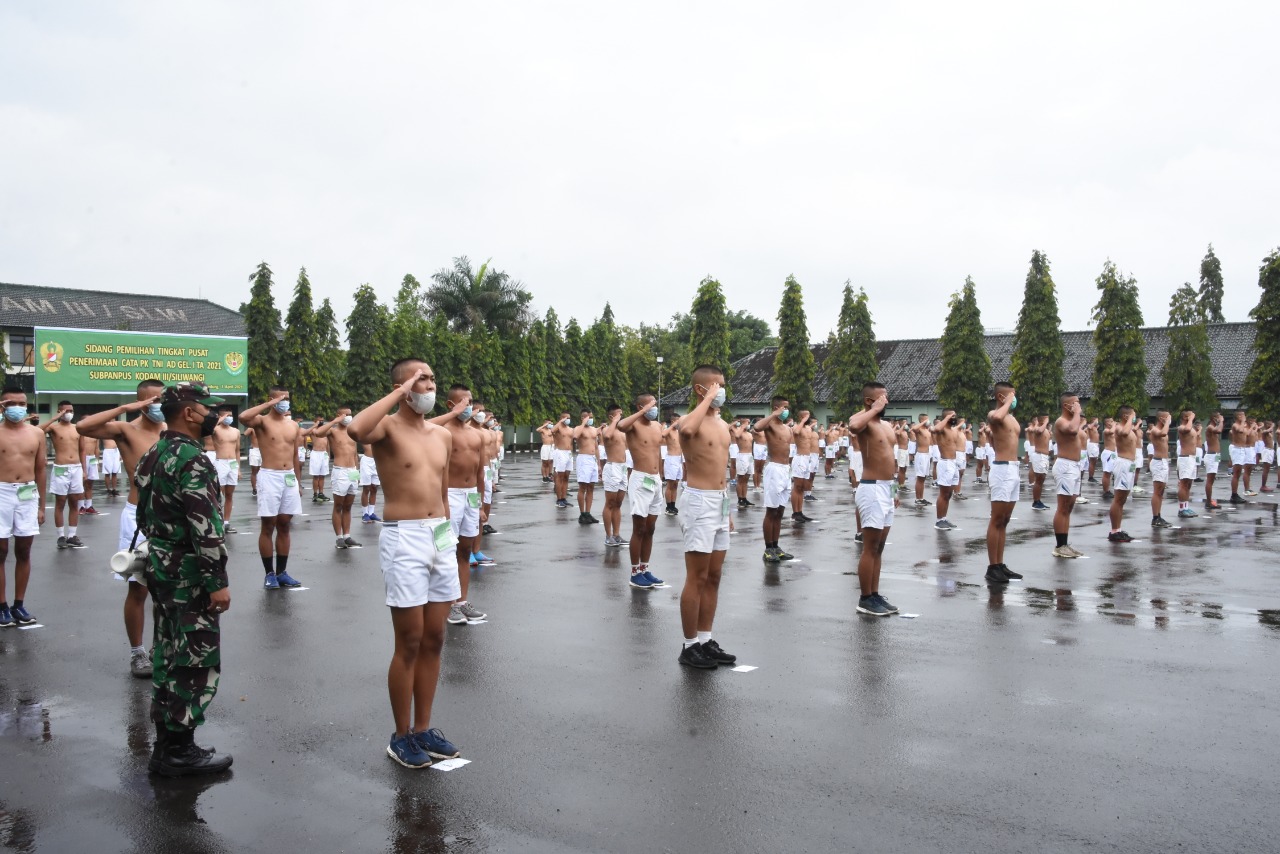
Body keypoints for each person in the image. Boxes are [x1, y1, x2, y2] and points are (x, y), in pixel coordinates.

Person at [347, 359, 462, 769]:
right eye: (422, 378)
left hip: (438, 534)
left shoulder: (442, 435)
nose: (430, 384)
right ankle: (400, 735)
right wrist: (399, 393)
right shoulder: (387, 429)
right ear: (403, 386)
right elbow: (356, 429)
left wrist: (447, 533)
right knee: (409, 640)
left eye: (432, 376)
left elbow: (443, 489)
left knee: (435, 638)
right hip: (404, 537)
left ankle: (424, 728)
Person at [134, 381, 233, 776]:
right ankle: (179, 749)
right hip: (190, 572)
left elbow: (143, 514)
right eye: (208, 409)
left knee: (167, 651)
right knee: (195, 657)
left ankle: (166, 743)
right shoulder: (192, 458)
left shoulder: (154, 452)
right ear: (189, 413)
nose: (215, 415)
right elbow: (205, 527)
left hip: (161, 565)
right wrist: (216, 579)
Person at [76, 380, 168, 676]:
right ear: (140, 401)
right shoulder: (127, 429)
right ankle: (137, 653)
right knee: (139, 588)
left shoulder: (169, 429)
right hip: (139, 517)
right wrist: (125, 410)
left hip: (169, 517)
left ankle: (160, 647)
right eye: (152, 400)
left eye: (161, 400)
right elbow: (84, 427)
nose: (158, 405)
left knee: (165, 590)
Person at [675, 367, 736, 669]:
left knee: (714, 576)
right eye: (717, 386)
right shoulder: (690, 421)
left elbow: (721, 469)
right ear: (701, 390)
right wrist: (707, 399)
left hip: (720, 502)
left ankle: (705, 638)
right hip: (698, 502)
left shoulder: (723, 425)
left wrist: (728, 510)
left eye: (723, 386)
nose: (722, 391)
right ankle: (689, 646)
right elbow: (686, 432)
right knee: (696, 577)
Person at [428, 386, 488, 626]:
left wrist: (481, 505)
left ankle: (461, 602)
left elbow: (480, 472)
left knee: (464, 550)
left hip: (470, 496)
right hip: (448, 496)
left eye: (470, 401)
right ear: (449, 405)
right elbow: (422, 427)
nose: (468, 406)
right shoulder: (440, 431)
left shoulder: (477, 435)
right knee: (445, 552)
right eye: (462, 402)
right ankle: (447, 604)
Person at [238, 386, 303, 589]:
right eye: (281, 399)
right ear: (271, 400)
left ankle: (282, 572)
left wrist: (299, 482)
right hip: (270, 476)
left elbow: (294, 456)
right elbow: (243, 416)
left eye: (287, 399)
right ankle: (269, 574)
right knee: (268, 526)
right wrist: (269, 405)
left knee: (284, 524)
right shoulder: (262, 421)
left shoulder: (293, 425)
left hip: (289, 477)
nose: (285, 402)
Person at [849, 382, 900, 615]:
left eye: (886, 398)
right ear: (870, 401)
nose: (886, 402)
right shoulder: (864, 420)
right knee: (869, 547)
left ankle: (875, 594)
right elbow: (853, 425)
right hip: (871, 489)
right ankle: (865, 598)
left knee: (879, 547)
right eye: (881, 398)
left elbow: (893, 460)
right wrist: (873, 409)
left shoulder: (887, 426)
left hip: (887, 488)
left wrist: (895, 491)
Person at [0, 387, 47, 628]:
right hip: (2, 492)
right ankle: (2, 607)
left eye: (22, 403)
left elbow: (40, 469)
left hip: (27, 493)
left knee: (24, 549)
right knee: (1, 550)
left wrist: (41, 504)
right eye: (12, 403)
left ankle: (19, 604)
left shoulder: (37, 433)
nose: (18, 408)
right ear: (3, 406)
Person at [618, 394, 665, 588]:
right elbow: (620, 426)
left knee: (651, 528)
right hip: (640, 480)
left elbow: (657, 453)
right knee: (639, 528)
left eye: (655, 404)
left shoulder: (657, 426)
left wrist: (661, 477)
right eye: (650, 405)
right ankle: (635, 572)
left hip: (655, 480)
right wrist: (643, 412)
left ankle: (645, 569)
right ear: (640, 406)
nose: (655, 407)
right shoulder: (633, 424)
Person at [984, 383, 1024, 582]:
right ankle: (992, 567)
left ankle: (1000, 563)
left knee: (1005, 520)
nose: (1014, 398)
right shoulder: (994, 414)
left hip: (1013, 468)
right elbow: (996, 418)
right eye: (1010, 395)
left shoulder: (1012, 419)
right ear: (1001, 396)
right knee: (997, 518)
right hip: (1001, 469)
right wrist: (1007, 402)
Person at [311, 407, 363, 548]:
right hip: (340, 471)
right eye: (346, 414)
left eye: (350, 414)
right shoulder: (333, 431)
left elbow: (354, 453)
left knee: (348, 506)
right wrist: (335, 421)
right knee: (338, 505)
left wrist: (357, 473)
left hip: (352, 470)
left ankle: (347, 536)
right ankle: (339, 537)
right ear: (339, 415)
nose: (349, 417)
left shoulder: (351, 431)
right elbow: (318, 432)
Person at [42, 401, 87, 549]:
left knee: (74, 502)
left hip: (76, 467)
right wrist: (55, 418)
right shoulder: (54, 428)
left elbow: (82, 450)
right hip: (61, 467)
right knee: (60, 502)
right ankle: (60, 536)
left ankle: (72, 535)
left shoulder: (77, 428)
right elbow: (38, 430)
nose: (69, 413)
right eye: (66, 410)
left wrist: (84, 470)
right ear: (59, 411)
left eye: (71, 410)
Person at [756, 397, 796, 563]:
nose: (786, 411)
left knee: (780, 511)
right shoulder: (770, 425)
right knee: (771, 511)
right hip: (774, 469)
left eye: (788, 407)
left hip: (786, 470)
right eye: (784, 407)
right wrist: (774, 414)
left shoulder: (788, 429)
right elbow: (757, 427)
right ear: (777, 407)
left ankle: (776, 546)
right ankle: (768, 549)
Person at [1051, 393, 1086, 558]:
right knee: (1063, 506)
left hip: (1075, 466)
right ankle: (1059, 546)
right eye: (1076, 403)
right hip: (1065, 466)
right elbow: (1072, 430)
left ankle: (1065, 543)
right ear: (1066, 406)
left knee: (1069, 506)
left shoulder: (1073, 421)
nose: (1079, 406)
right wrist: (1078, 413)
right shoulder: (1061, 421)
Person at [1107, 406, 1139, 542]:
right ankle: (1114, 532)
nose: (1135, 417)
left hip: (1129, 465)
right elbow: (1124, 433)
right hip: (1123, 464)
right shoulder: (1120, 428)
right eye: (1133, 415)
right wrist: (1130, 419)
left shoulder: (1128, 428)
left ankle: (1118, 530)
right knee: (1118, 499)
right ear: (1126, 416)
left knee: (1122, 499)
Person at [600, 405, 630, 547]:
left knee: (618, 503)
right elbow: (606, 436)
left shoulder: (622, 432)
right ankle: (608, 536)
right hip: (612, 468)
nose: (621, 417)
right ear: (612, 416)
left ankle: (617, 535)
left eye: (621, 414)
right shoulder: (607, 430)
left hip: (623, 468)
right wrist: (614, 421)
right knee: (610, 503)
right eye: (618, 414)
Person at [210, 405, 242, 534]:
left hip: (233, 463)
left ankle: (226, 522)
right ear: (220, 416)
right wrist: (219, 419)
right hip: (220, 462)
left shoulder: (236, 431)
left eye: (230, 415)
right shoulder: (216, 429)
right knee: (217, 494)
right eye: (226, 416)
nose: (229, 418)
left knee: (229, 494)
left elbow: (237, 450)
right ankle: (216, 521)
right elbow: (207, 428)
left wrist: (238, 468)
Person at [931, 410, 962, 530]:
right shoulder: (941, 429)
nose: (954, 417)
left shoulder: (953, 431)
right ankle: (939, 521)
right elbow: (935, 429)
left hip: (954, 463)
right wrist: (946, 417)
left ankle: (943, 518)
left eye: (955, 415)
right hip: (945, 463)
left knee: (949, 494)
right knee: (943, 493)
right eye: (951, 416)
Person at [573, 409, 601, 525]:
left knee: (591, 487)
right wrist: (583, 423)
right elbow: (575, 436)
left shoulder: (594, 430)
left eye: (591, 417)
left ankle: (588, 513)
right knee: (582, 487)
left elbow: (596, 447)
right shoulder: (578, 429)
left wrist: (599, 464)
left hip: (592, 459)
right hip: (583, 459)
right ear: (583, 418)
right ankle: (582, 514)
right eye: (589, 417)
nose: (591, 419)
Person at [1147, 411, 1174, 528]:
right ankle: (1155, 518)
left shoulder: (1163, 430)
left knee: (1161, 492)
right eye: (1167, 417)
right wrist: (1167, 421)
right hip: (1158, 462)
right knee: (1157, 491)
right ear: (1161, 418)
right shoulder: (1155, 430)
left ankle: (1159, 515)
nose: (1169, 419)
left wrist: (1167, 422)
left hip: (1163, 462)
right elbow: (1163, 433)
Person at [790, 411, 816, 524]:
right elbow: (795, 432)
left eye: (809, 415)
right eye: (806, 415)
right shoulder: (797, 426)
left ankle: (800, 512)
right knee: (797, 486)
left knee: (802, 487)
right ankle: (795, 513)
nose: (808, 417)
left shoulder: (808, 429)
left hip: (807, 458)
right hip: (799, 458)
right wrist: (803, 421)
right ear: (801, 416)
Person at [1175, 410, 1200, 519]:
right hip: (1185, 458)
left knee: (1189, 485)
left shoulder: (1191, 427)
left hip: (1192, 458)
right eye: (1188, 415)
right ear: (1184, 417)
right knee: (1183, 484)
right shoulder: (1181, 427)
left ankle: (1186, 507)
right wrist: (1190, 418)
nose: (1191, 417)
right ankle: (1181, 509)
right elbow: (1187, 429)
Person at [1027, 415, 1051, 510]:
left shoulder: (1045, 429)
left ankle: (1039, 500)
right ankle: (1036, 502)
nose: (1047, 420)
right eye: (1045, 418)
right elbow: (1038, 431)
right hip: (1039, 456)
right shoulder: (1037, 428)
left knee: (1041, 480)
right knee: (1039, 480)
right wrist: (1044, 422)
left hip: (1044, 457)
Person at [551, 412, 574, 508]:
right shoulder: (558, 428)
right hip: (560, 452)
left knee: (566, 477)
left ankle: (564, 498)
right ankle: (559, 499)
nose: (567, 419)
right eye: (565, 418)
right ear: (562, 418)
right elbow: (552, 430)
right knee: (559, 477)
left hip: (569, 453)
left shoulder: (570, 429)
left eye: (569, 418)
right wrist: (560, 422)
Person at [662, 414, 684, 515]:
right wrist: (671, 426)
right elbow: (663, 434)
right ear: (673, 421)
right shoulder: (669, 431)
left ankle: (673, 505)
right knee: (670, 484)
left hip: (679, 459)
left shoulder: (679, 432)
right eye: (677, 421)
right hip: (671, 459)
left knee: (675, 484)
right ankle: (668, 506)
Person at [1203, 412, 1223, 509]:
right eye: (1218, 417)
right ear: (1213, 418)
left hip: (1216, 456)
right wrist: (1221, 421)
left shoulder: (1213, 427)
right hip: (1211, 456)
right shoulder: (1210, 427)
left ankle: (1209, 499)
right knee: (1210, 480)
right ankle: (1208, 502)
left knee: (1212, 479)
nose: (1219, 418)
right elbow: (1219, 430)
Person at [78, 433, 101, 515]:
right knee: (81, 483)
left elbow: (97, 448)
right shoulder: (80, 433)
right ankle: (81, 506)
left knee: (90, 483)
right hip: (82, 458)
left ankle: (89, 506)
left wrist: (97, 462)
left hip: (92, 459)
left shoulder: (95, 434)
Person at [359, 439, 382, 522]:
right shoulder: (366, 433)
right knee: (366, 488)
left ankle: (371, 513)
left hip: (377, 461)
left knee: (374, 488)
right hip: (367, 461)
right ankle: (365, 514)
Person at [309, 419, 331, 503]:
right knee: (316, 475)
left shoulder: (325, 432)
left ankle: (321, 493)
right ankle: (315, 494)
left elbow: (327, 444)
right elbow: (311, 432)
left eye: (322, 420)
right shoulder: (314, 431)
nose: (321, 422)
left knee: (322, 475)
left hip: (323, 454)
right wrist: (315, 424)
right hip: (316, 453)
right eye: (319, 420)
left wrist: (328, 454)